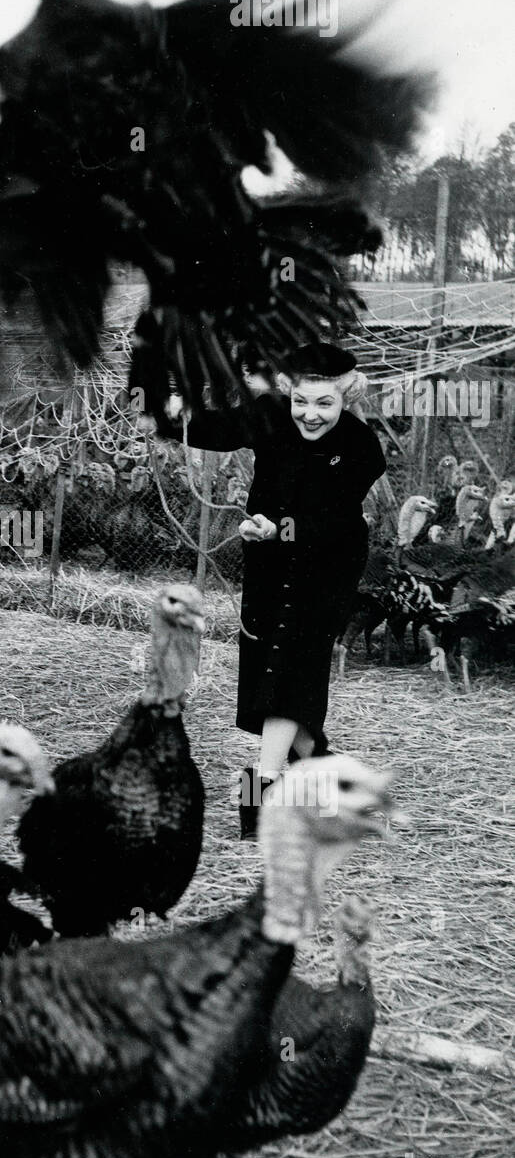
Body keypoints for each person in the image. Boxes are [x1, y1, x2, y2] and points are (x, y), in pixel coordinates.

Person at [159, 343, 386, 839]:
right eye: (300, 401)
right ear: (287, 393)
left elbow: (335, 519)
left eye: (325, 403)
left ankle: (260, 792)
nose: (310, 414)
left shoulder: (361, 446)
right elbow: (220, 430)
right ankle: (333, 783)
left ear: (346, 396)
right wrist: (173, 415)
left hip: (327, 568)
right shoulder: (271, 416)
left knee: (289, 673)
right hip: (270, 565)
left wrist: (277, 529)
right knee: (273, 671)